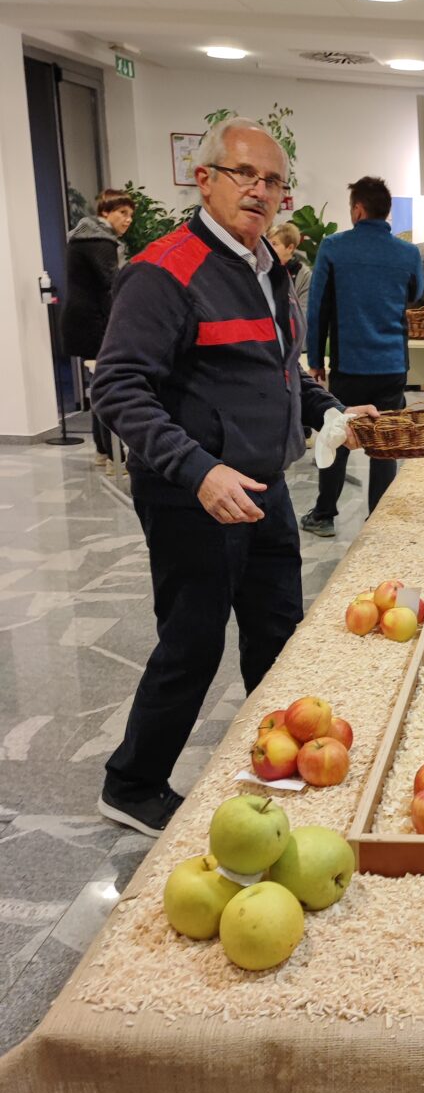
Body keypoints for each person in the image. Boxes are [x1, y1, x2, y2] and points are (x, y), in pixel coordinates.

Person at [91, 120, 375, 837]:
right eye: (244, 173)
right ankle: (132, 781)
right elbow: (119, 389)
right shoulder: (165, 271)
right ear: (204, 178)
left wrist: (335, 409)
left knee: (278, 628)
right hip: (195, 492)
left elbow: (282, 374)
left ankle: (285, 753)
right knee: (193, 640)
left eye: (273, 180)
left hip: (262, 484)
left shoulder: (265, 268)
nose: (260, 190)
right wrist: (198, 470)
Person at [302, 176, 423, 537]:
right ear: (385, 211)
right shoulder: (408, 253)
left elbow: (318, 307)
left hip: (349, 363)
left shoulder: (334, 247)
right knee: (385, 444)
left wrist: (315, 359)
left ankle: (324, 515)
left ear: (357, 209)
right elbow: (415, 294)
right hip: (391, 363)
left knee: (337, 434)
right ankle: (378, 520)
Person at [61, 189, 134, 466]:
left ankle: (104, 452)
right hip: (95, 324)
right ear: (105, 213)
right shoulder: (100, 241)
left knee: (99, 387)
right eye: (122, 213)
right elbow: (111, 286)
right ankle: (115, 456)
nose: (128, 220)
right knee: (109, 388)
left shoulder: (83, 238)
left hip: (82, 323)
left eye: (130, 215)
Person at [269, 221, 311, 310]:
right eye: (267, 243)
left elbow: (304, 312)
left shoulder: (304, 275)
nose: (268, 248)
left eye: (274, 244)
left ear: (290, 248)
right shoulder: (263, 269)